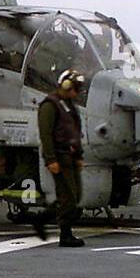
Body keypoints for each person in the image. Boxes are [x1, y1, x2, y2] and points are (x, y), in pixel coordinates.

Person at [38, 69, 86, 247]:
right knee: (69, 197)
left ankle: (44, 218)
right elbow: (46, 134)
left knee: (76, 195)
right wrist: (51, 159)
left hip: (71, 157)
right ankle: (65, 235)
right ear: (66, 86)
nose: (77, 93)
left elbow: (75, 132)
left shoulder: (68, 105)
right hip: (60, 156)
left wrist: (79, 155)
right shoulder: (50, 105)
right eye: (75, 88)